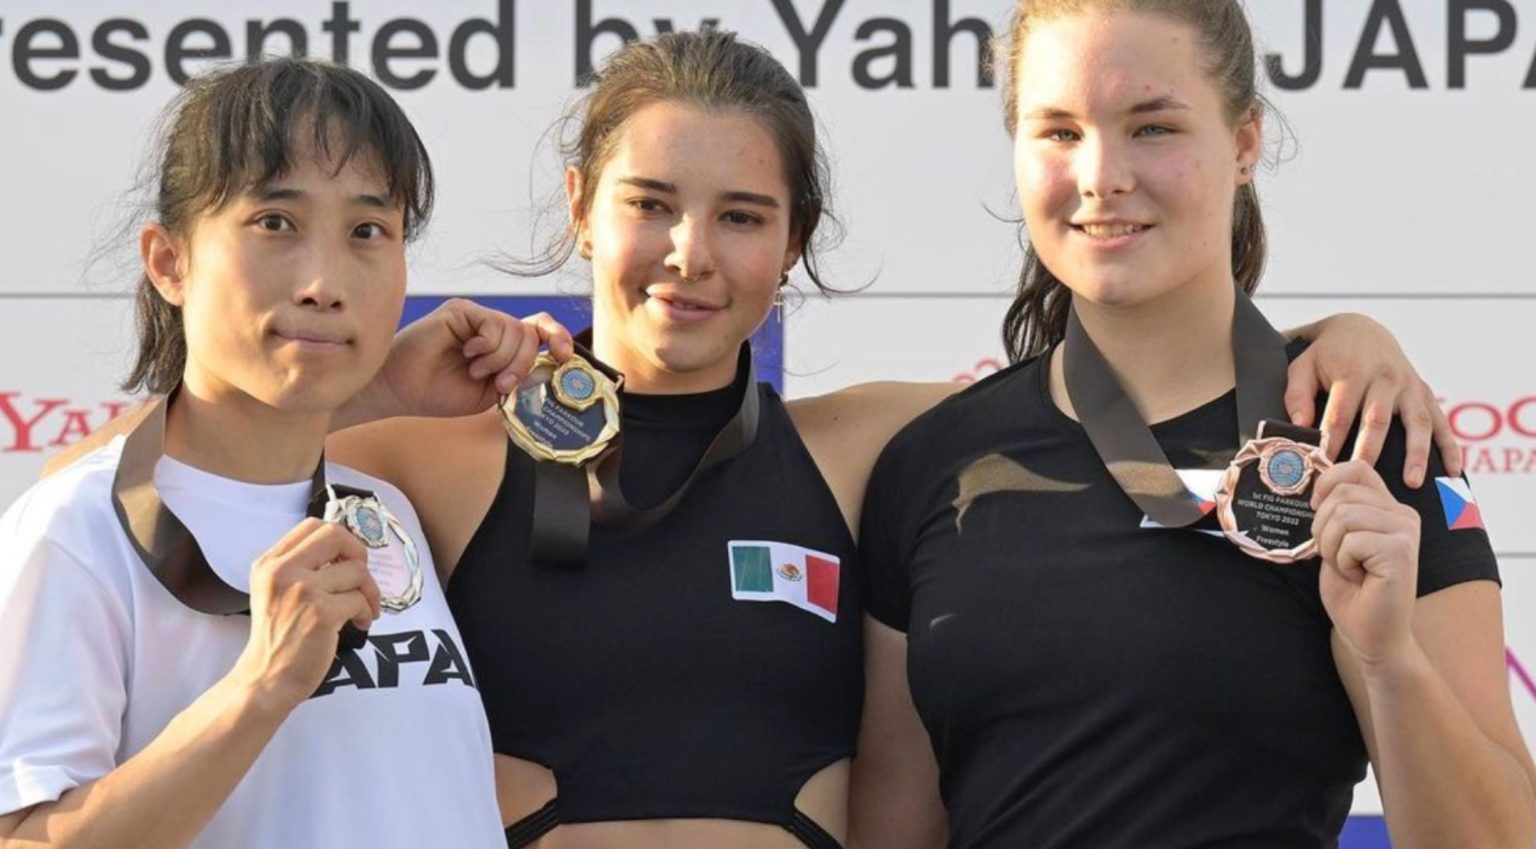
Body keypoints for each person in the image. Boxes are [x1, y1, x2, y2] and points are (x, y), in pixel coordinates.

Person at [328, 29, 1468, 849]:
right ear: (580, 205)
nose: (689, 253)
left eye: (742, 215)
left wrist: (1340, 340)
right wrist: (368, 387)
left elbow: (1134, 381)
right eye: (649, 203)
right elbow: (186, 496)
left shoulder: (878, 445)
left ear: (793, 240)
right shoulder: (427, 466)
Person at [852, 2, 1536, 847]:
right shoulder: (931, 462)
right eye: (1059, 132)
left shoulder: (1367, 439)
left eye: (1153, 127)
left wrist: (1387, 663)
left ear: (1245, 141)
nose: (1102, 174)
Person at [0, 58, 519, 849]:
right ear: (169, 261)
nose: (324, 282)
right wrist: (264, 680)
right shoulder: (77, 530)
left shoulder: (384, 509)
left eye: (367, 231)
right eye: (276, 222)